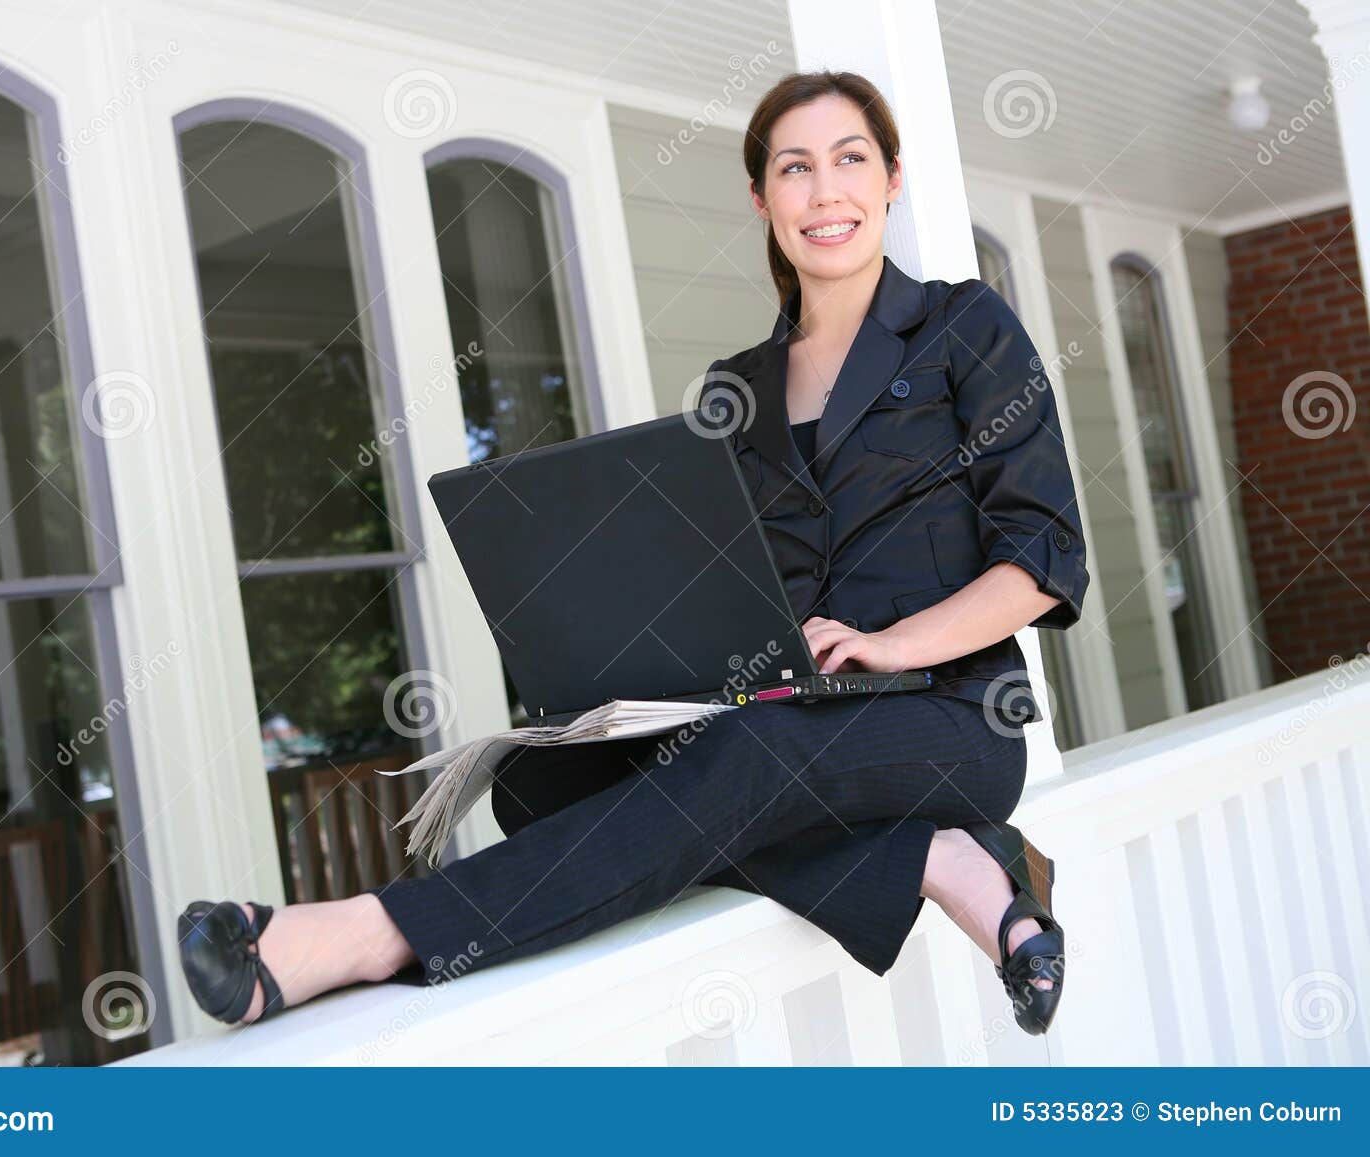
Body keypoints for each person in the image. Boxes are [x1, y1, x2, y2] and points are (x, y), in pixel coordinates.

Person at [178, 68, 1087, 1039]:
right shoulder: (735, 388)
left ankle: (369, 931)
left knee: (749, 756)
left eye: (849, 159)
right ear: (760, 197)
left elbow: (1043, 558)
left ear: (891, 177)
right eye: (794, 168)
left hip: (946, 716)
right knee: (539, 779)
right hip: (788, 712)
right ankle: (933, 860)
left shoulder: (961, 327)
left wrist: (892, 643)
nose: (825, 192)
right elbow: (724, 584)